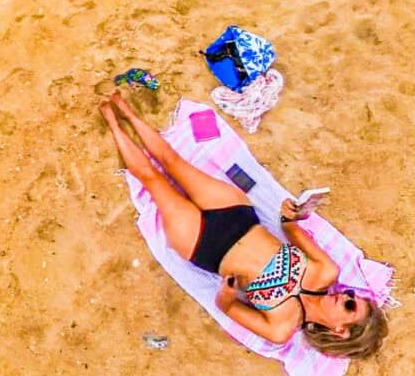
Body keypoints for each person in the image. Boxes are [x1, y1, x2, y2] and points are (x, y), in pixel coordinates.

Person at [100, 92, 388, 358]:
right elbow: (290, 230)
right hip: (237, 215)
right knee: (172, 160)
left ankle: (112, 123)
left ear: (339, 331)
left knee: (153, 180)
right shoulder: (326, 272)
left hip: (206, 248)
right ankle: (126, 112)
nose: (345, 295)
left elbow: (227, 307)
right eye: (353, 296)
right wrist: (290, 215)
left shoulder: (280, 329)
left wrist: (226, 293)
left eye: (349, 306)